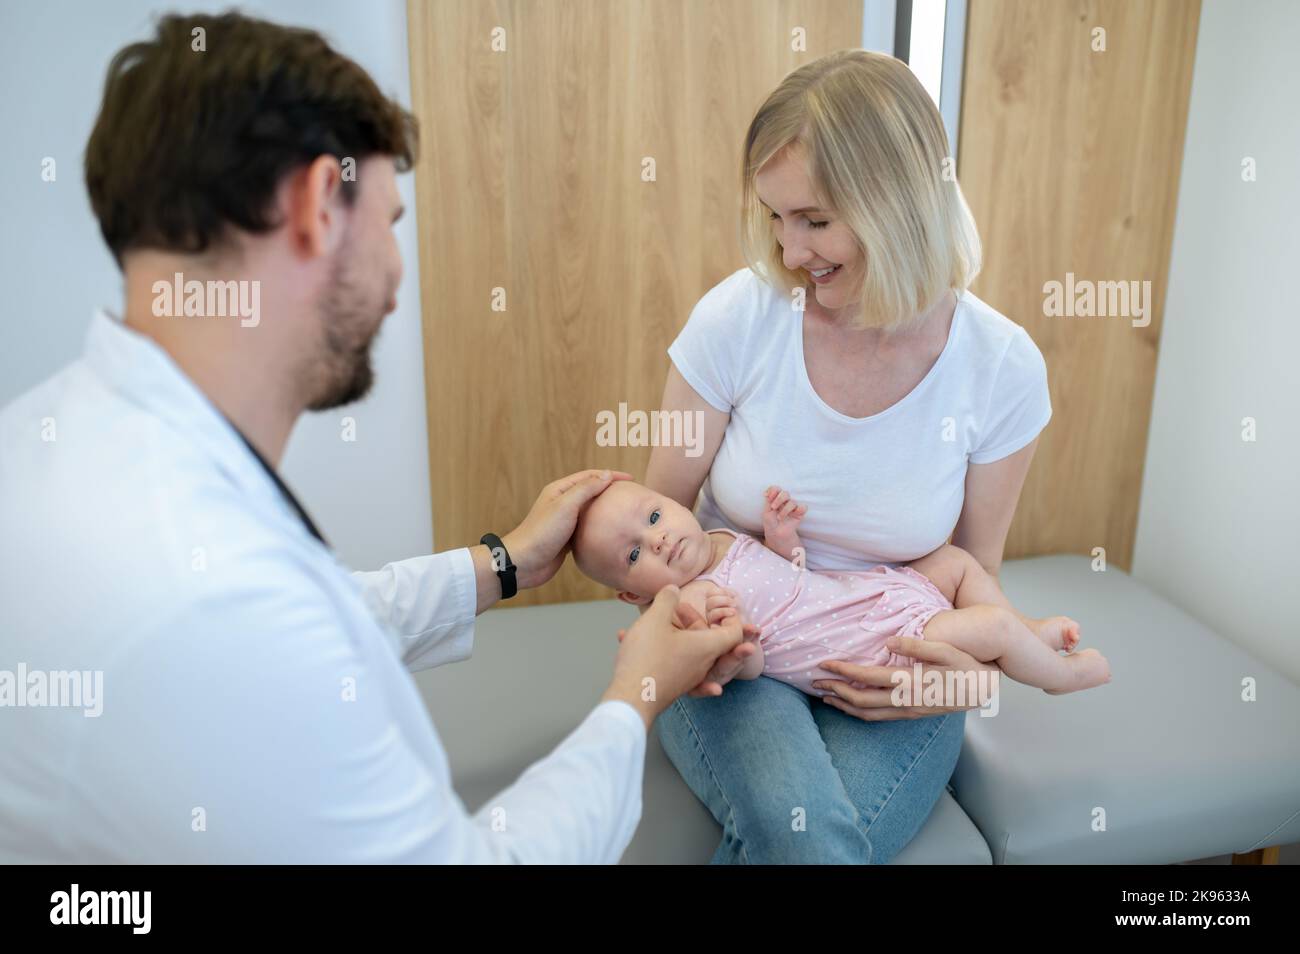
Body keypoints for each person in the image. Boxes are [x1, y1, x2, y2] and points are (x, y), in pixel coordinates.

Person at [0, 11, 751, 864]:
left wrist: (506, 562)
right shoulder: (205, 590)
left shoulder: (56, 445)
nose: (398, 279)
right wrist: (636, 693)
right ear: (322, 204)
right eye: (392, 225)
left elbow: (318, 616)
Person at [645, 49, 1054, 863]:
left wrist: (957, 682)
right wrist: (695, 626)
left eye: (815, 220)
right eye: (775, 218)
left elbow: (975, 575)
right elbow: (654, 526)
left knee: (811, 845)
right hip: (738, 653)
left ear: (900, 202)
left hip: (893, 666)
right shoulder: (739, 320)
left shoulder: (1001, 367)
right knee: (811, 840)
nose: (791, 251)